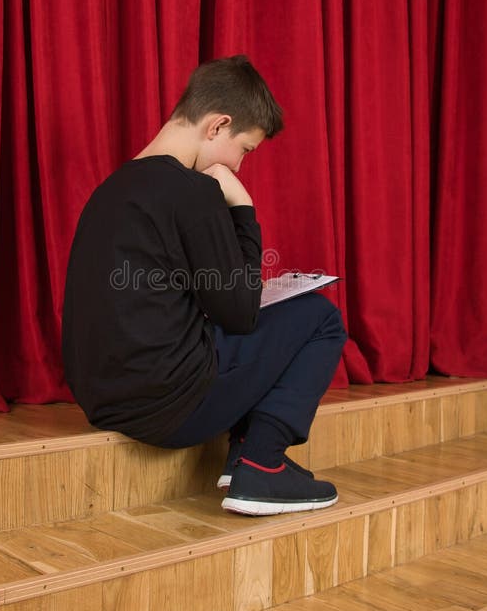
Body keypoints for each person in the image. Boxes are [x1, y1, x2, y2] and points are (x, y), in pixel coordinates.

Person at [61, 55, 347, 515]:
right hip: (166, 410)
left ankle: (241, 454)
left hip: (103, 402)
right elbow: (240, 314)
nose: (239, 164)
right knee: (321, 319)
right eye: (245, 149)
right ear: (218, 126)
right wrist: (242, 209)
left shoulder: (108, 191)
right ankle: (263, 466)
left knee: (251, 326)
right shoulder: (191, 192)